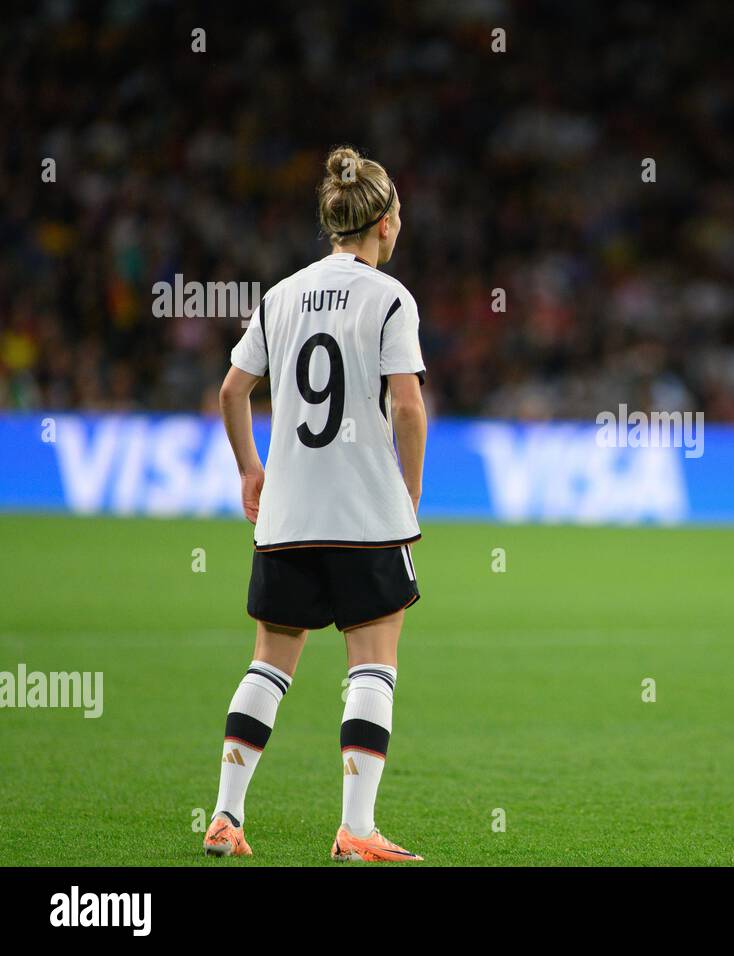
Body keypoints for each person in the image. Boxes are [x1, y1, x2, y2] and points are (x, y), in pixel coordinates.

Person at [204, 146, 427, 861]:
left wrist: (250, 470)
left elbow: (233, 391)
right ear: (386, 224)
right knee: (372, 666)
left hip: (289, 513)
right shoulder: (390, 299)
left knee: (269, 663)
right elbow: (409, 407)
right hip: (364, 516)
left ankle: (226, 817)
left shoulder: (280, 296)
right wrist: (408, 500)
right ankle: (356, 829)